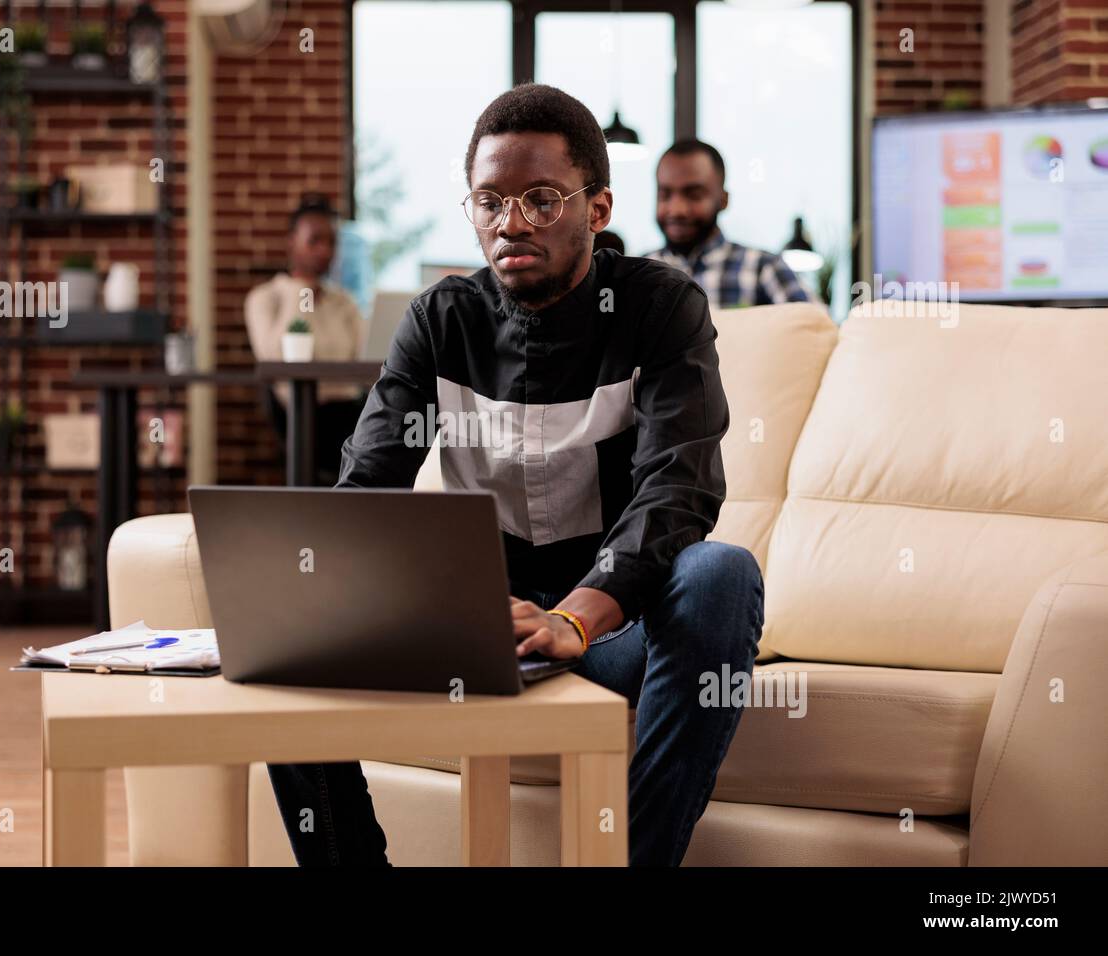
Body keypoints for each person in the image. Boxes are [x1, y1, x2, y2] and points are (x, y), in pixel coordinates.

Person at [266, 84, 764, 867]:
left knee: (721, 576)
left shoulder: (659, 308)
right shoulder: (441, 320)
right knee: (292, 611)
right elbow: (367, 490)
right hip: (475, 630)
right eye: (490, 201)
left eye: (541, 199)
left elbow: (681, 488)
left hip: (610, 631)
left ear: (597, 210)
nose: (512, 223)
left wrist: (573, 618)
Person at [244, 195, 367, 485]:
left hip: (351, 410)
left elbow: (361, 357)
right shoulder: (266, 298)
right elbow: (274, 357)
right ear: (291, 242)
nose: (325, 250)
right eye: (314, 240)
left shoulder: (344, 303)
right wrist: (300, 290)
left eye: (332, 242)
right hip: (302, 416)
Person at [644, 139, 812, 308]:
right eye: (665, 195)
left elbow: (812, 326)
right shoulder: (639, 273)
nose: (677, 210)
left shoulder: (763, 269)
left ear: (723, 200)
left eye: (694, 195)